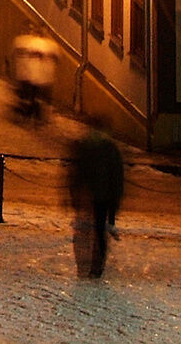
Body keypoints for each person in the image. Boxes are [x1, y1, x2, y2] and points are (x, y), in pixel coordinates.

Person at [67, 118, 125, 277]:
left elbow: (77, 173)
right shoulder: (110, 148)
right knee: (99, 230)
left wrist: (74, 194)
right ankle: (96, 266)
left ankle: (84, 265)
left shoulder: (85, 146)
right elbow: (117, 177)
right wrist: (115, 202)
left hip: (88, 194)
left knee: (84, 230)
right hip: (103, 196)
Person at [11, 31, 55, 122]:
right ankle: (31, 115)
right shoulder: (43, 44)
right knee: (32, 96)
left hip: (34, 75)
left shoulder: (26, 42)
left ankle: (31, 115)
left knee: (33, 96)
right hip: (36, 75)